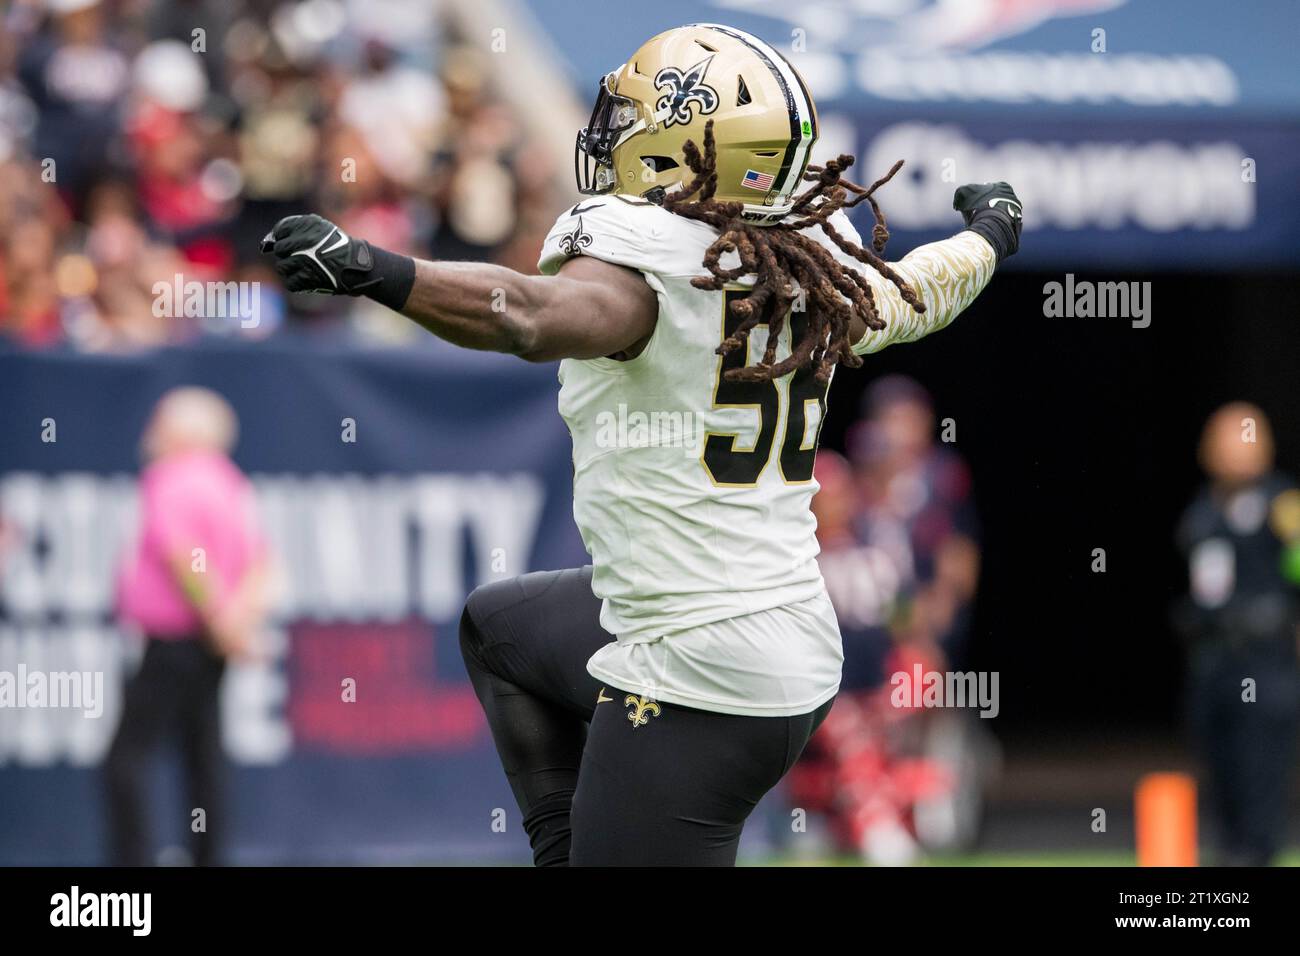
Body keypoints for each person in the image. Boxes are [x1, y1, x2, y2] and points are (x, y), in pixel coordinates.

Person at [262, 23, 1022, 865]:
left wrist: (378, 270)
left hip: (702, 668)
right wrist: (991, 230)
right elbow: (925, 287)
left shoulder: (648, 266)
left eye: (630, 118)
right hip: (783, 635)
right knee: (501, 629)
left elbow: (529, 314)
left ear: (679, 143)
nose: (612, 134)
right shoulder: (809, 265)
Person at [106, 387, 269, 866]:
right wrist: (235, 625)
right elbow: (263, 566)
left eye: (161, 421)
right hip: (211, 646)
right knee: (203, 759)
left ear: (186, 432)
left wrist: (221, 620)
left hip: (175, 642)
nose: (151, 431)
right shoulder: (232, 483)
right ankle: (207, 856)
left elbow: (184, 559)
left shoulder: (170, 478)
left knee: (127, 759)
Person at [1176, 402, 1300, 866]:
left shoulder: (1283, 504)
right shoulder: (1203, 510)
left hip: (1266, 662)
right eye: (1222, 438)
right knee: (1221, 775)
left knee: (1261, 775)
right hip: (1214, 663)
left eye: (1242, 436)